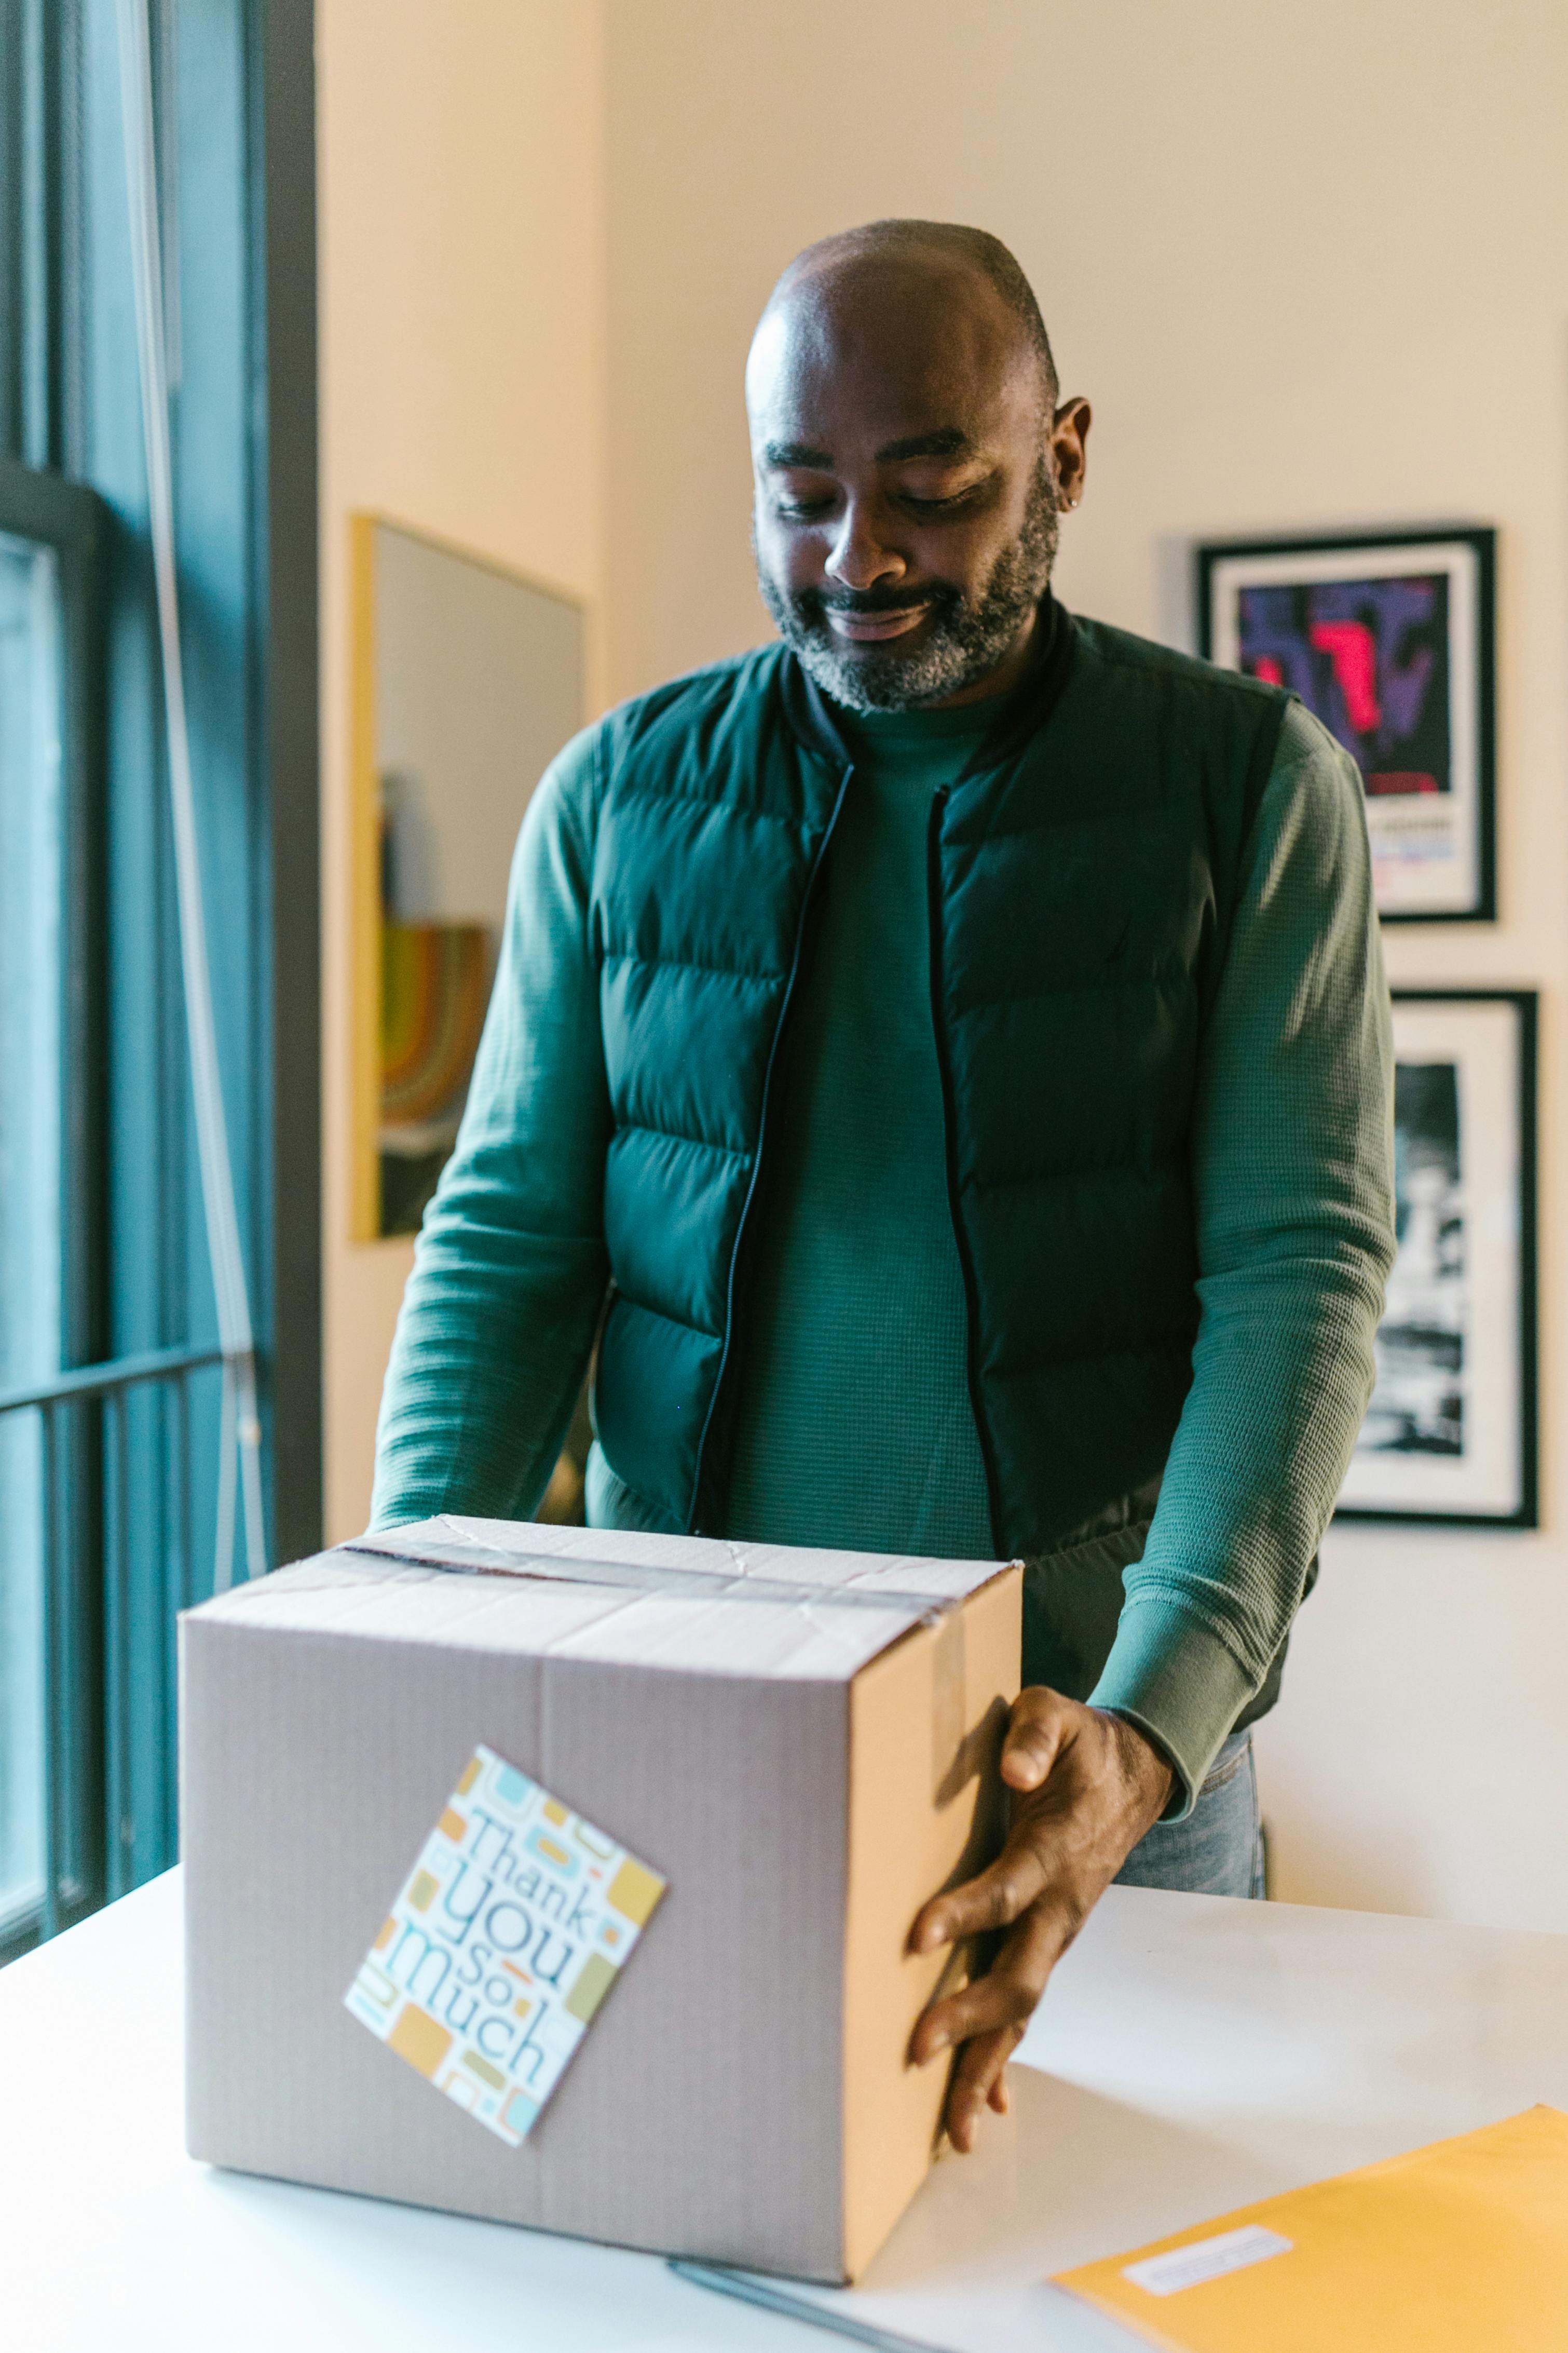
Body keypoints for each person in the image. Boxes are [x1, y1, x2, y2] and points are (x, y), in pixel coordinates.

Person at [371, 219, 1395, 2154]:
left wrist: (1153, 1727)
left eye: (936, 488)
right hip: (690, 1727)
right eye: (803, 494)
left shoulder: (1250, 787)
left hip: (1092, 1757)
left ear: (1064, 456)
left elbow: (1298, 1270)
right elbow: (508, 1242)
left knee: (1111, 2258)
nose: (861, 560)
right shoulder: (614, 797)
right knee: (658, 2231)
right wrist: (409, 1623)